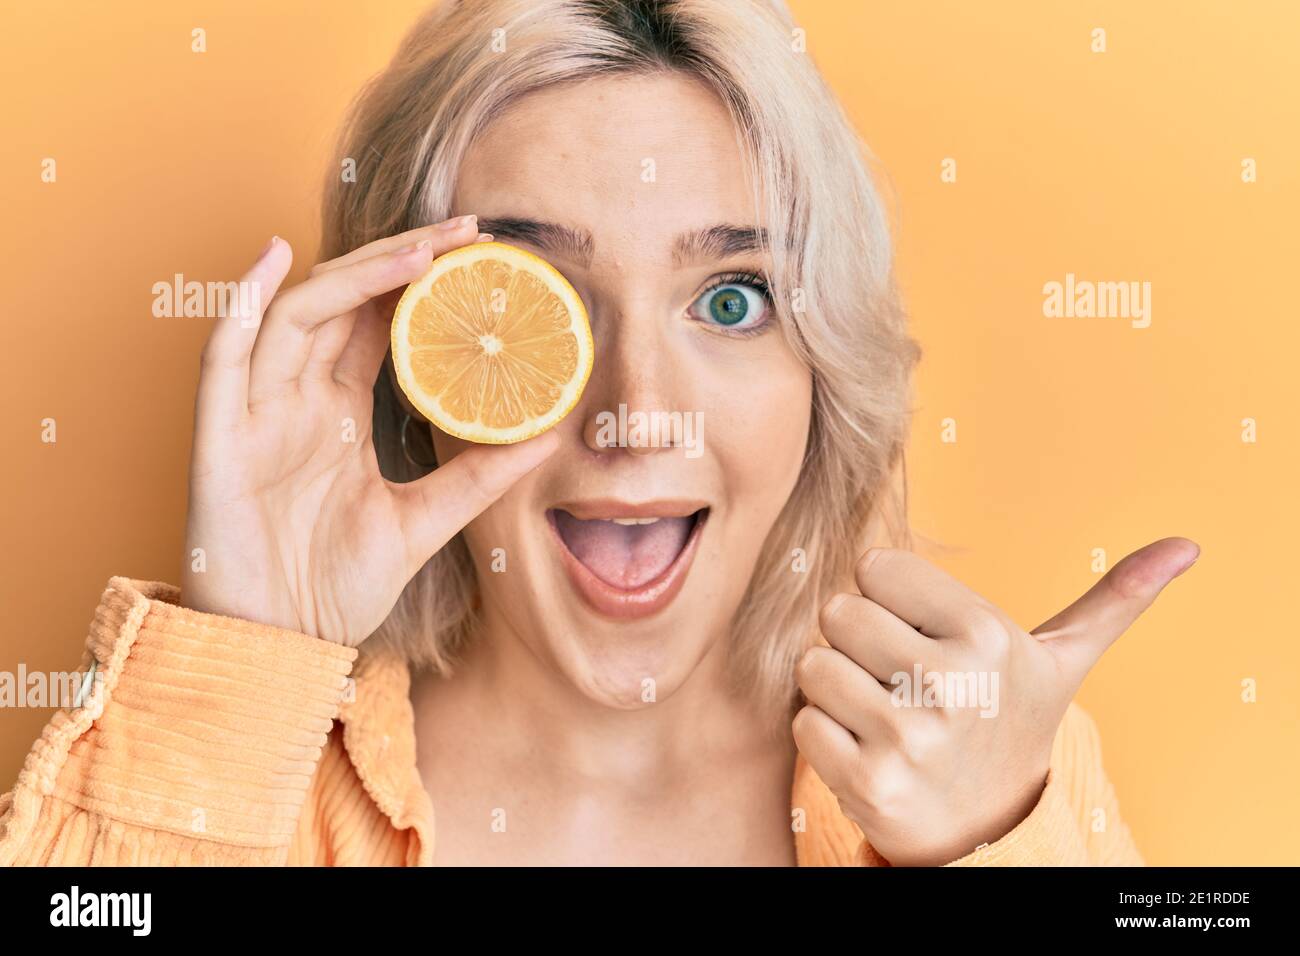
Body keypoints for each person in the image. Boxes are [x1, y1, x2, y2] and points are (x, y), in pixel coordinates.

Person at [0, 0, 1193, 866]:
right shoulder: (248, 770)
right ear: (409, 352)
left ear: (826, 367)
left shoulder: (989, 769)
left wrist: (995, 848)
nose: (632, 412)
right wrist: (238, 661)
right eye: (537, 294)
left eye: (731, 299)